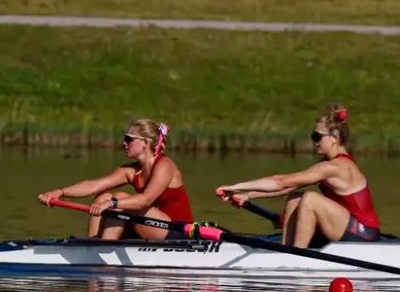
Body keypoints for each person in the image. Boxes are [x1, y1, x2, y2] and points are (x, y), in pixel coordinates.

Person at [215, 105, 380, 248]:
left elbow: (281, 182)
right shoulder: (327, 164)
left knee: (310, 199)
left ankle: (297, 255)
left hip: (364, 234)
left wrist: (237, 186)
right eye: (312, 137)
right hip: (346, 226)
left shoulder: (337, 167)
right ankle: (287, 250)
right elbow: (288, 186)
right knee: (296, 197)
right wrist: (248, 195)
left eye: (317, 137)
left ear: (334, 138)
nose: (314, 142)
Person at [38, 118, 193, 240]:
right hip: (149, 227)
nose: (124, 143)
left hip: (177, 231)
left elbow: (145, 200)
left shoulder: (165, 165)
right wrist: (60, 192)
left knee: (117, 198)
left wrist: (112, 203)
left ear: (145, 142)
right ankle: (94, 242)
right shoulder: (131, 171)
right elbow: (94, 185)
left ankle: (104, 251)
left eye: (128, 139)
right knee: (103, 196)